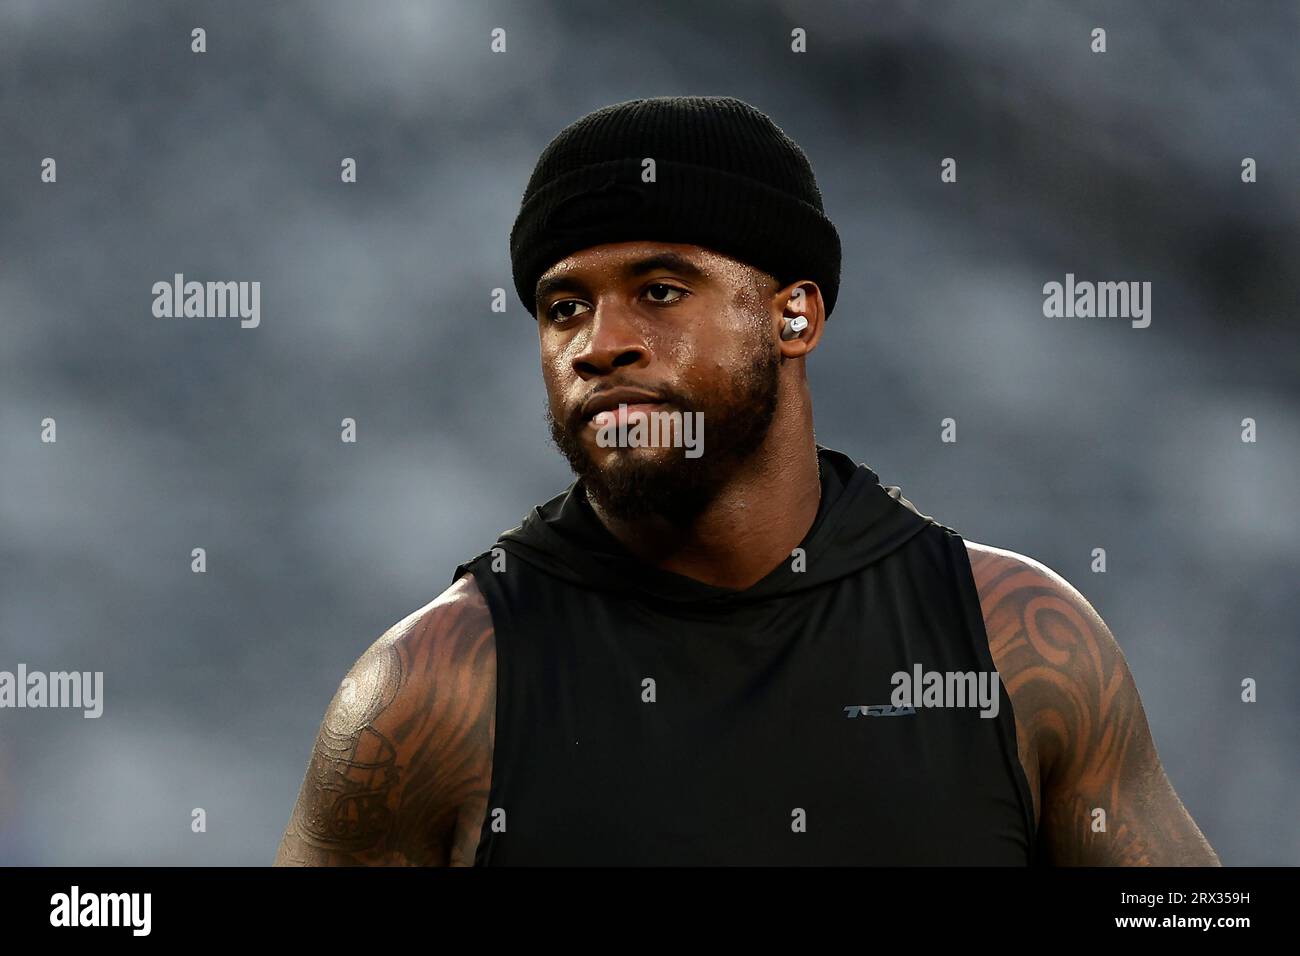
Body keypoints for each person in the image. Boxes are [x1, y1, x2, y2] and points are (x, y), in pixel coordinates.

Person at [274, 96, 1220, 866]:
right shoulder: (432, 691)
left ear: (794, 316)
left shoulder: (1017, 643)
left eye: (660, 289)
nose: (601, 346)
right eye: (565, 307)